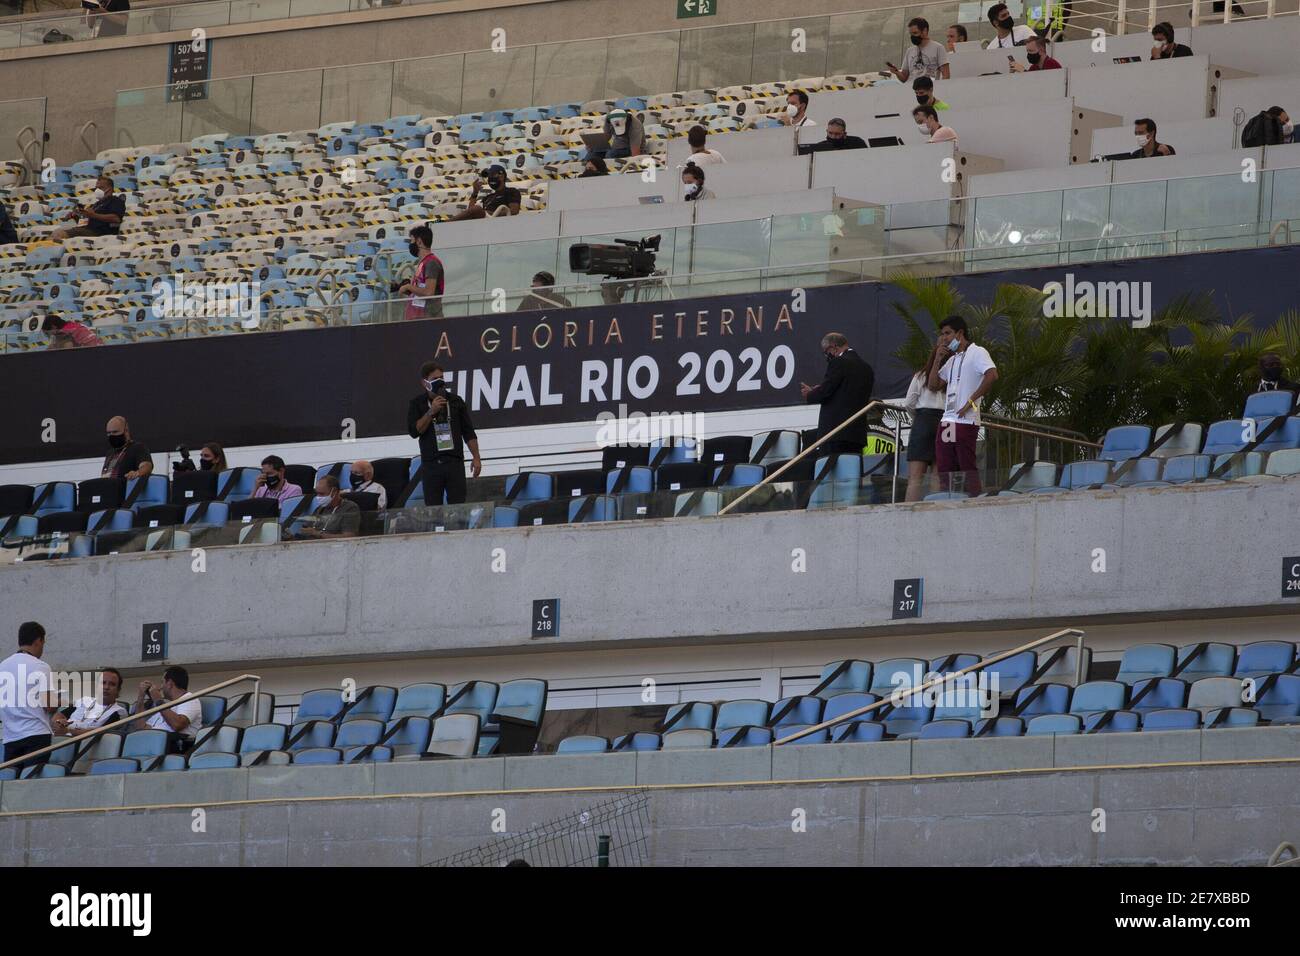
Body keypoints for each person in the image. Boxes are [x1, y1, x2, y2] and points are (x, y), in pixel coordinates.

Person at [928, 316, 998, 496]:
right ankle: (948, 497)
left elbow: (992, 375)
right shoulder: (952, 360)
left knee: (966, 465)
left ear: (960, 333)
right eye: (942, 334)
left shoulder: (977, 352)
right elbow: (933, 385)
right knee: (945, 465)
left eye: (948, 333)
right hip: (948, 421)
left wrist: (971, 401)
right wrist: (937, 357)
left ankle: (974, 500)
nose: (944, 338)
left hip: (966, 421)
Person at [407, 361, 482, 506]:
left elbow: (468, 432)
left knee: (458, 506)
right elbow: (414, 431)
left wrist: (476, 457)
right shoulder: (417, 403)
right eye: (435, 379)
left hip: (454, 462)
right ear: (425, 383)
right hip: (431, 464)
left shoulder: (456, 401)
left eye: (442, 377)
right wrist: (431, 412)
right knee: (433, 508)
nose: (440, 381)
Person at [800, 332, 875, 456]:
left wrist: (810, 394)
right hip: (857, 434)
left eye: (826, 352)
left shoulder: (838, 362)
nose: (826, 356)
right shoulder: (867, 368)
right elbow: (846, 391)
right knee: (851, 472)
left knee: (831, 472)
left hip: (835, 433)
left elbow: (825, 392)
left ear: (834, 347)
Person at [0, 622, 58, 771]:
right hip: (36, 735)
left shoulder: (2, 667)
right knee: (31, 787)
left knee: (11, 786)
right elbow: (49, 704)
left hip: (10, 738)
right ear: (38, 640)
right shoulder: (40, 666)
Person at [901, 346, 947, 502]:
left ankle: (909, 514)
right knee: (937, 475)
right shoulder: (951, 378)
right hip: (944, 422)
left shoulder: (921, 376)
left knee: (915, 477)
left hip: (923, 420)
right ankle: (934, 512)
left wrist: (918, 418)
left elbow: (909, 402)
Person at [132, 665, 202, 750]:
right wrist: (140, 698)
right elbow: (141, 728)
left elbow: (177, 724)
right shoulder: (166, 706)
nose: (160, 687)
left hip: (172, 748)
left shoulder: (189, 698)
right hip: (150, 746)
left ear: (169, 684)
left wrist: (158, 700)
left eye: (162, 682)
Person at [50, 174, 125, 242]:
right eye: (96, 188)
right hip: (86, 230)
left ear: (110, 189)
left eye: (101, 188)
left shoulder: (116, 201)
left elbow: (116, 218)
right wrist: (75, 216)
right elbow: (83, 222)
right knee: (56, 232)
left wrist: (94, 215)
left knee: (59, 234)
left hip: (100, 233)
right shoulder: (96, 204)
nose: (97, 190)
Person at [53, 667, 126, 736]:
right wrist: (59, 722)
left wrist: (68, 731)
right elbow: (60, 715)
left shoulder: (119, 712)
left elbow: (100, 732)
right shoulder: (84, 700)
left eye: (112, 684)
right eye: (103, 683)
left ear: (118, 690)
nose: (106, 687)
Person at [399, 225, 445, 320]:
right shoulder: (423, 263)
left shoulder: (431, 262)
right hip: (419, 318)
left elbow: (429, 292)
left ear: (419, 242)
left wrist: (409, 287)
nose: (411, 244)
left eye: (412, 241)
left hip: (429, 319)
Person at [449, 164, 521, 221]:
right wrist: (475, 193)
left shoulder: (512, 191)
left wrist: (491, 213)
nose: (489, 178)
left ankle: (445, 223)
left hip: (499, 223)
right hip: (484, 223)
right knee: (476, 210)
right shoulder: (488, 197)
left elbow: (514, 211)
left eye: (492, 175)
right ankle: (447, 223)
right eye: (488, 176)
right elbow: (471, 211)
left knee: (477, 209)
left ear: (501, 176)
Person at [889, 17, 949, 83]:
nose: (912, 36)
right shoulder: (910, 51)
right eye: (911, 34)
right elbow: (904, 78)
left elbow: (946, 75)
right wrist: (896, 72)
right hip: (909, 88)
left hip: (928, 88)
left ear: (925, 31)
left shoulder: (938, 48)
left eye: (915, 33)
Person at [102, 415, 152, 480]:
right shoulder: (110, 453)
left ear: (126, 431)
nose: (112, 435)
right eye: (109, 433)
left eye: (115, 432)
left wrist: (137, 473)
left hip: (126, 488)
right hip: (110, 488)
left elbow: (146, 466)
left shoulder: (138, 448)